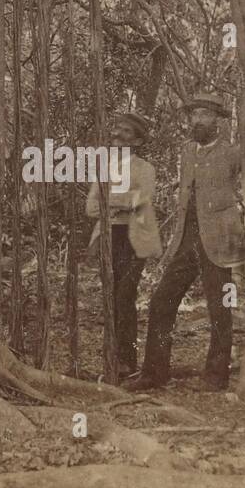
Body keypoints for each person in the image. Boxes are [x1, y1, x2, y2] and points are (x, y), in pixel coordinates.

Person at [126, 91, 245, 393]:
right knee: (160, 302)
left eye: (205, 115)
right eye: (194, 115)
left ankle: (217, 377)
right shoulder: (187, 150)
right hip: (186, 240)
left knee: (220, 309)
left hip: (219, 241)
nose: (198, 120)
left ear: (217, 120)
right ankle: (154, 373)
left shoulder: (232, 153)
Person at [84, 110, 161, 379]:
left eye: (127, 132)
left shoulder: (145, 169)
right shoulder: (105, 167)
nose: (119, 135)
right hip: (109, 237)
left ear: (138, 142)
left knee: (125, 296)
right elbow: (91, 208)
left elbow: (142, 199)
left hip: (134, 239)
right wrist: (121, 202)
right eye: (117, 129)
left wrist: (112, 201)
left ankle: (127, 362)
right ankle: (113, 360)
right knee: (111, 297)